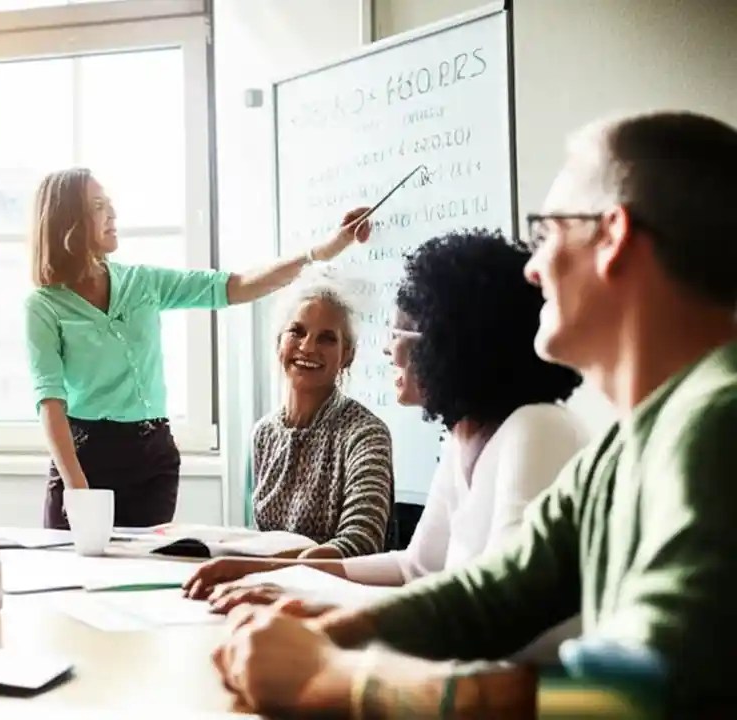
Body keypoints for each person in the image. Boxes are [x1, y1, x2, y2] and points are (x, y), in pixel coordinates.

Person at [212, 110, 737, 716]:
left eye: (546, 233)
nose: (533, 270)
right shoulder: (626, 448)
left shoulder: (718, 423)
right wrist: (329, 629)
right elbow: (495, 592)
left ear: (613, 236)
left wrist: (338, 680)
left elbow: (634, 697)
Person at [188, 231, 587, 624]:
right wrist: (270, 576)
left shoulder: (535, 428)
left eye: (397, 333)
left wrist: (318, 602)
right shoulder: (464, 438)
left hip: (533, 680)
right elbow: (414, 568)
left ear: (447, 343)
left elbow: (506, 598)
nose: (387, 348)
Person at [27, 167, 371, 528]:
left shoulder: (140, 282)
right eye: (98, 205)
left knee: (142, 575)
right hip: (83, 458)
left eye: (110, 203)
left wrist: (324, 251)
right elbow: (50, 402)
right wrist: (78, 491)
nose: (112, 214)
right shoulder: (43, 306)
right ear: (69, 221)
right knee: (72, 574)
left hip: (151, 459)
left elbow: (235, 286)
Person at [247, 278, 393, 558]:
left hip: (336, 593)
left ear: (346, 356)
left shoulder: (366, 434)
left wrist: (269, 568)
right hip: (271, 586)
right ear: (279, 343)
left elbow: (361, 542)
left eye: (327, 338)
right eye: (297, 332)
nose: (308, 347)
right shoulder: (264, 433)